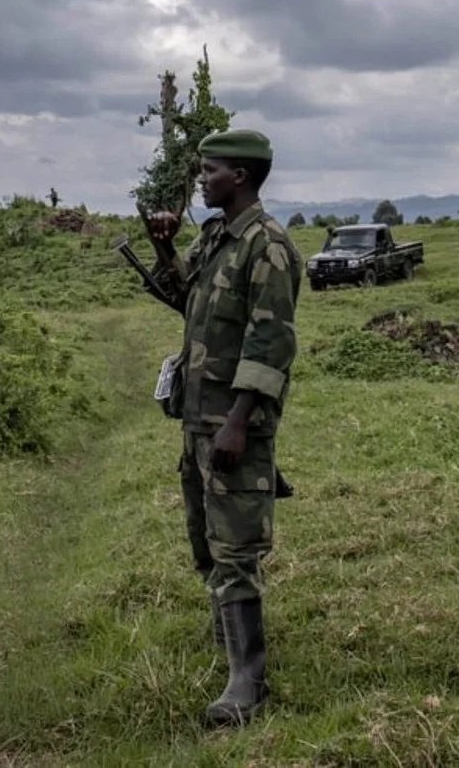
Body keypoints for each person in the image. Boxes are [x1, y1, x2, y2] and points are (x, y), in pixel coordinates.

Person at [143, 128, 302, 727]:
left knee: (235, 547)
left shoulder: (268, 246)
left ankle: (247, 680)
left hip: (233, 422)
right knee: (205, 539)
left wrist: (238, 424)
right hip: (198, 417)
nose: (201, 180)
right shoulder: (216, 239)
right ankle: (229, 644)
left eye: (209, 171)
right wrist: (163, 249)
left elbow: (271, 342)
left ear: (239, 176)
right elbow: (185, 299)